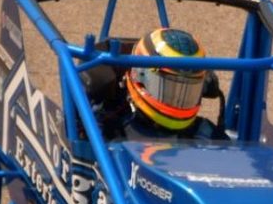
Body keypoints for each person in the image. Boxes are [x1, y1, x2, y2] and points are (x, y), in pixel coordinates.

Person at [84, 28, 227, 141]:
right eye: (171, 89)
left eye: (187, 91)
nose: (178, 101)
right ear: (139, 76)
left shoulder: (206, 134)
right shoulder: (110, 130)